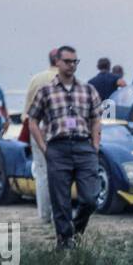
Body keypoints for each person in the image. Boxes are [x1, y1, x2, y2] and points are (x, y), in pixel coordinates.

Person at [25, 44, 103, 249]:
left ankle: (75, 231)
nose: (71, 65)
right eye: (67, 61)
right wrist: (44, 147)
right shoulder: (46, 91)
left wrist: (95, 145)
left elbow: (96, 118)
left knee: (90, 198)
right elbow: (32, 120)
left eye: (74, 61)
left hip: (83, 146)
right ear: (57, 62)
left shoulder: (88, 90)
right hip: (58, 148)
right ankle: (64, 242)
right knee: (60, 200)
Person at [24, 48, 60, 223]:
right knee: (61, 172)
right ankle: (58, 214)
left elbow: (28, 111)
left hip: (38, 127)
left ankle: (44, 215)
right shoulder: (67, 80)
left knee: (41, 172)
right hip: (59, 130)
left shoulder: (36, 79)